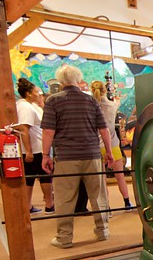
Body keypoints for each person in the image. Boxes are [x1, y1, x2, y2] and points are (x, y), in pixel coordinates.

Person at [41, 64, 114, 249]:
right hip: (92, 155)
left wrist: (45, 155)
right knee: (98, 195)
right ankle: (103, 231)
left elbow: (48, 131)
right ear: (78, 79)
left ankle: (64, 237)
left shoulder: (53, 101)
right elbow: (104, 129)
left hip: (66, 157)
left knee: (65, 198)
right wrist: (109, 152)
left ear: (60, 81)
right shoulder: (91, 101)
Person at [90, 80, 134, 210]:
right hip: (112, 144)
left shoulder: (90, 106)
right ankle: (127, 203)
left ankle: (106, 206)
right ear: (105, 90)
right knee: (120, 176)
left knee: (101, 179)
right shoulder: (113, 105)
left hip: (96, 145)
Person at [15, 78, 54, 214]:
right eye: (36, 92)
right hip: (36, 149)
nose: (39, 94)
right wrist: (29, 151)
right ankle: (49, 204)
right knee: (43, 176)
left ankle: (30, 205)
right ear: (28, 93)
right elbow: (24, 129)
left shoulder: (29, 106)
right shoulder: (25, 107)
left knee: (32, 177)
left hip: (37, 147)